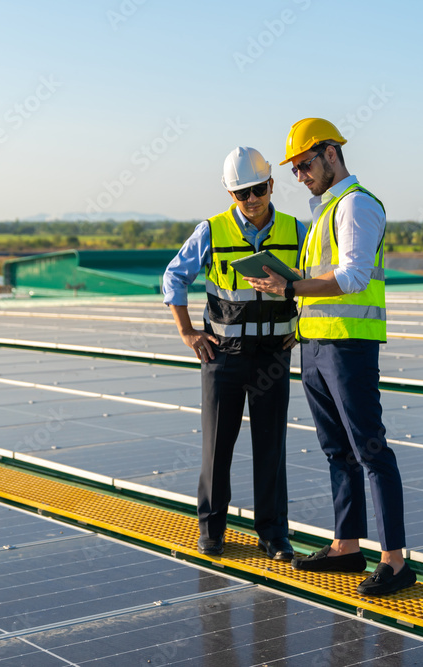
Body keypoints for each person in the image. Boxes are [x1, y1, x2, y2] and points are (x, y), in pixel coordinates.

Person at [248, 118, 415, 596]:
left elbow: (355, 276)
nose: (299, 175)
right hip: (317, 345)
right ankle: (346, 547)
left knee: (371, 450)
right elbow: (323, 273)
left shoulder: (356, 205)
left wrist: (292, 285)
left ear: (330, 154)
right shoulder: (325, 210)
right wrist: (286, 279)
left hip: (347, 346)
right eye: (295, 169)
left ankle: (395, 561)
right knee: (336, 451)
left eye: (303, 165)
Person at [163, 147, 305, 561]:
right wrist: (187, 332)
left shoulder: (298, 232)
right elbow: (174, 276)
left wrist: (301, 326)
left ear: (271, 185)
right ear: (230, 194)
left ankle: (274, 535)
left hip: (273, 356)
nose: (252, 199)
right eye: (242, 193)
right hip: (223, 357)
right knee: (216, 447)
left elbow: (314, 283)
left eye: (258, 189)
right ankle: (212, 531)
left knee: (271, 447)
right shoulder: (212, 231)